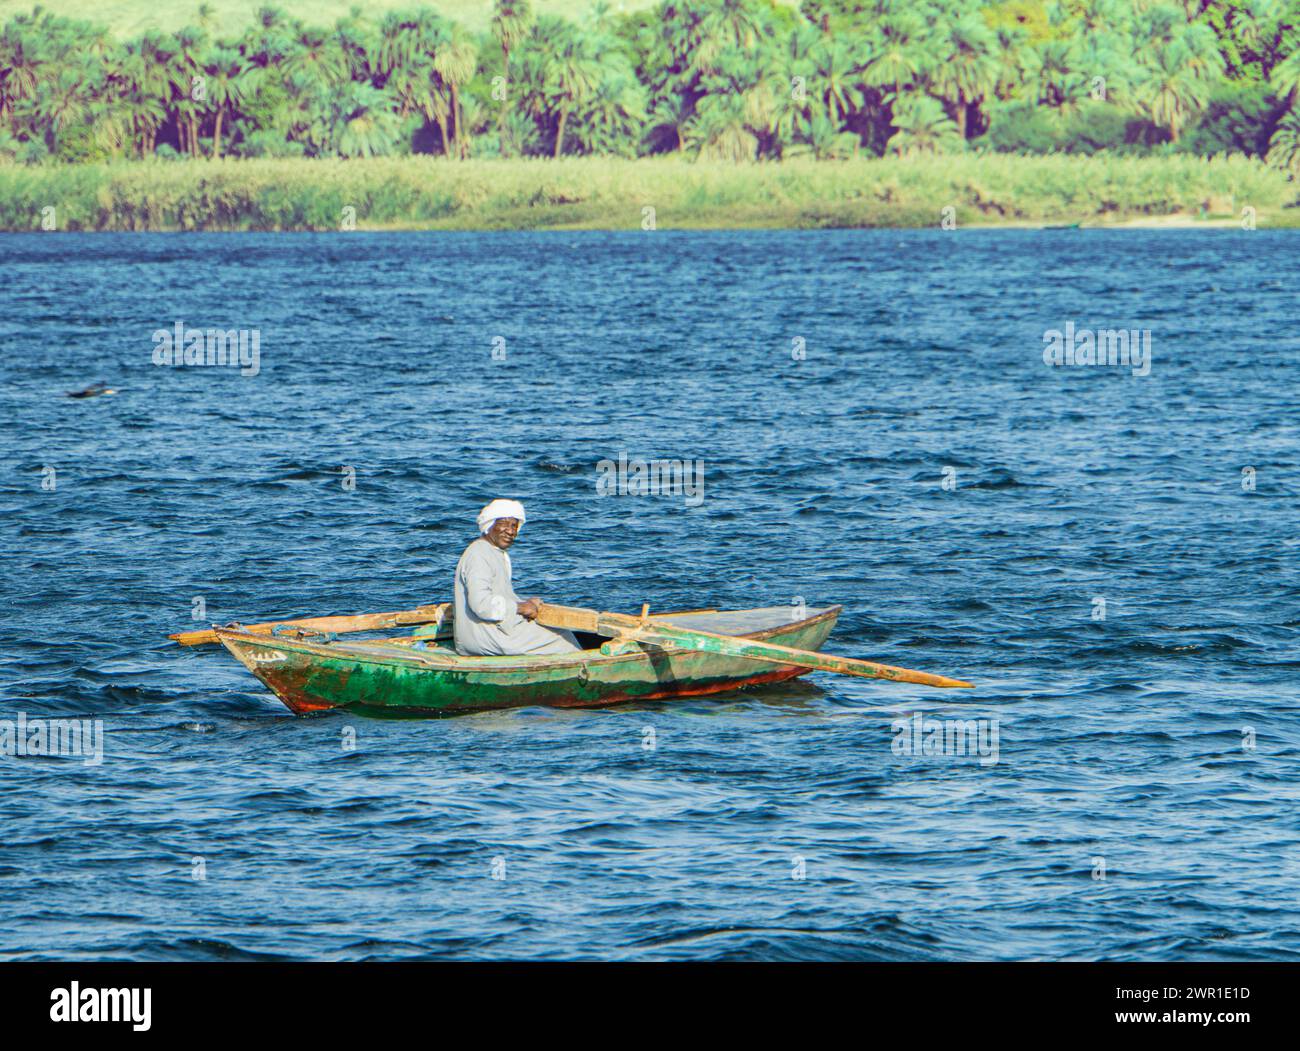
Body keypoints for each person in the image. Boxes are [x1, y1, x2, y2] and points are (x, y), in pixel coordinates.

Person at [452, 499, 581, 657]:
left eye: (514, 526)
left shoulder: (493, 552)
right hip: (483, 637)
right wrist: (520, 608)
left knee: (560, 630)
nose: (511, 531)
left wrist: (527, 603)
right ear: (489, 525)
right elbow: (482, 605)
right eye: (504, 524)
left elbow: (499, 597)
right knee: (563, 639)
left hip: (490, 631)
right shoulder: (479, 555)